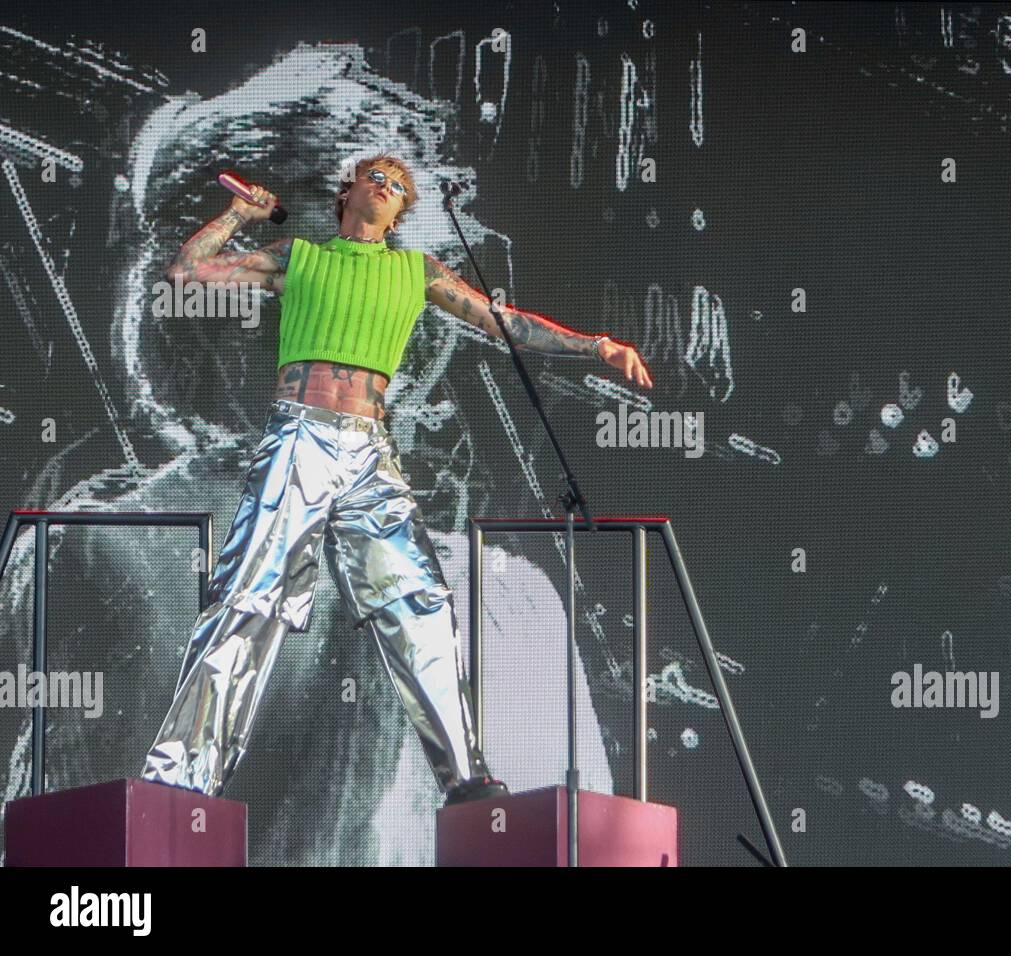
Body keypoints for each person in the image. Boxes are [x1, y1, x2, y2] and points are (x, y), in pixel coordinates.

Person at [140, 153, 653, 805]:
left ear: (403, 209)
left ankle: (466, 779)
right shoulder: (301, 256)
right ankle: (180, 777)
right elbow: (188, 273)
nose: (385, 187)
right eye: (375, 177)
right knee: (252, 597)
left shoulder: (418, 272)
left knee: (419, 599)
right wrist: (239, 213)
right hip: (301, 432)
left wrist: (596, 345)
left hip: (368, 446)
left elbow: (505, 323)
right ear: (347, 190)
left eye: (399, 186)